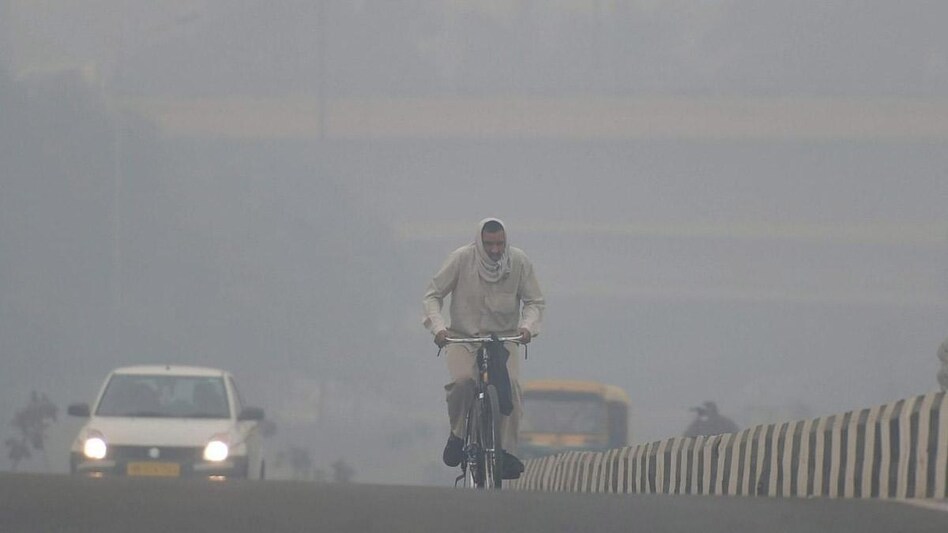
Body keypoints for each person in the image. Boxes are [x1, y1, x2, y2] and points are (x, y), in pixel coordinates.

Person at [423, 218, 545, 479]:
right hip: (463, 339)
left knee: (512, 387)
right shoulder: (461, 260)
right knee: (463, 382)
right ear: (479, 242)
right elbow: (433, 296)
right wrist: (439, 328)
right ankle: (458, 435)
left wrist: (527, 327)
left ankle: (506, 451)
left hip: (504, 340)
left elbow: (534, 301)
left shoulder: (518, 262)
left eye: (500, 244)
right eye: (489, 244)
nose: (494, 250)